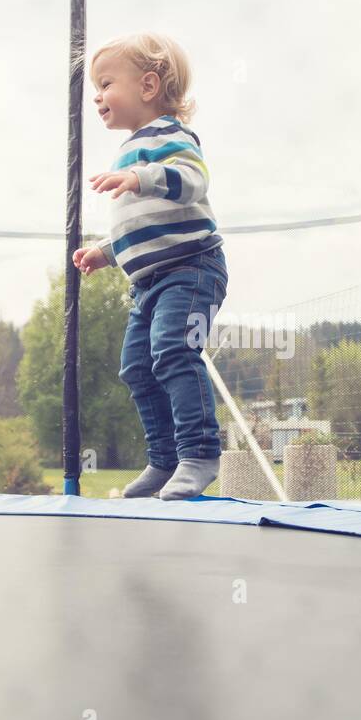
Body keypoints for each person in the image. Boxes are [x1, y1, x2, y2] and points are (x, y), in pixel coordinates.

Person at [72, 32, 228, 500]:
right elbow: (146, 227)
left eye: (105, 84)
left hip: (192, 269)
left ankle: (199, 453)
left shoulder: (170, 136)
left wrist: (140, 177)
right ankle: (163, 462)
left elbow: (193, 182)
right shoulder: (130, 147)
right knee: (137, 367)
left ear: (147, 86)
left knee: (174, 351)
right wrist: (108, 250)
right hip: (148, 283)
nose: (97, 96)